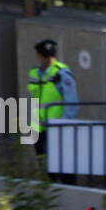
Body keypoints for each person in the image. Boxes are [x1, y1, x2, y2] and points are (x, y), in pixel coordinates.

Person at [27, 38, 79, 182]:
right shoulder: (34, 74)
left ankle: (69, 193)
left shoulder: (61, 73)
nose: (47, 59)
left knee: (65, 167)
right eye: (45, 55)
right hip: (39, 128)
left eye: (49, 55)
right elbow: (34, 98)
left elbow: (72, 103)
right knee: (45, 168)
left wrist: (65, 124)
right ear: (39, 55)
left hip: (57, 127)